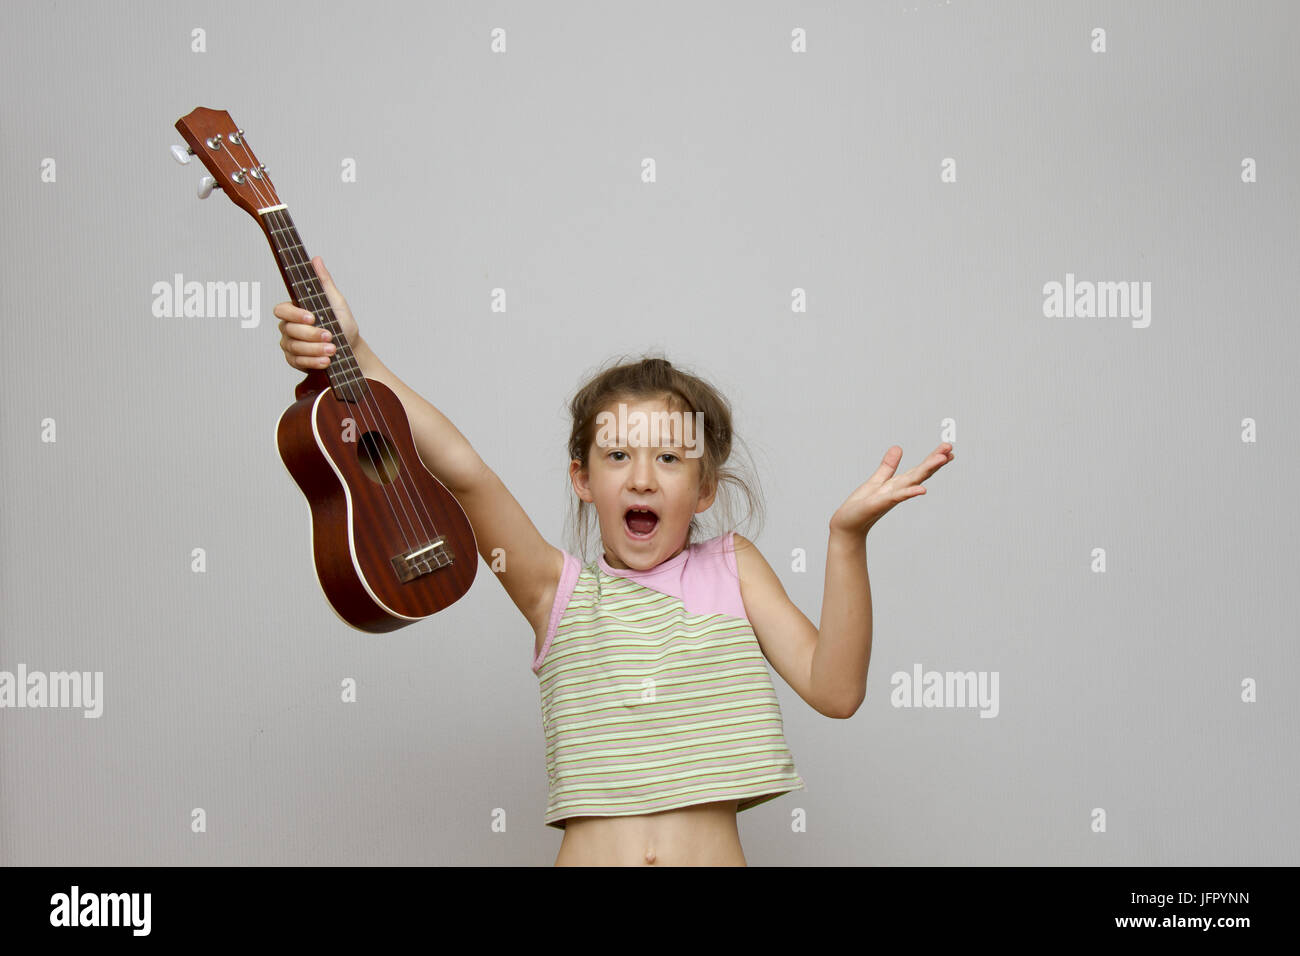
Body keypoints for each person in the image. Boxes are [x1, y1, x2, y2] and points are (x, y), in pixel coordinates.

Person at [275, 256, 954, 866]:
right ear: (583, 478)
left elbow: (835, 691)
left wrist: (846, 539)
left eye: (669, 457)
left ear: (705, 487)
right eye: (618, 456)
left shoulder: (732, 568)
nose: (642, 479)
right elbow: (464, 471)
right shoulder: (554, 593)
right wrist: (356, 352)